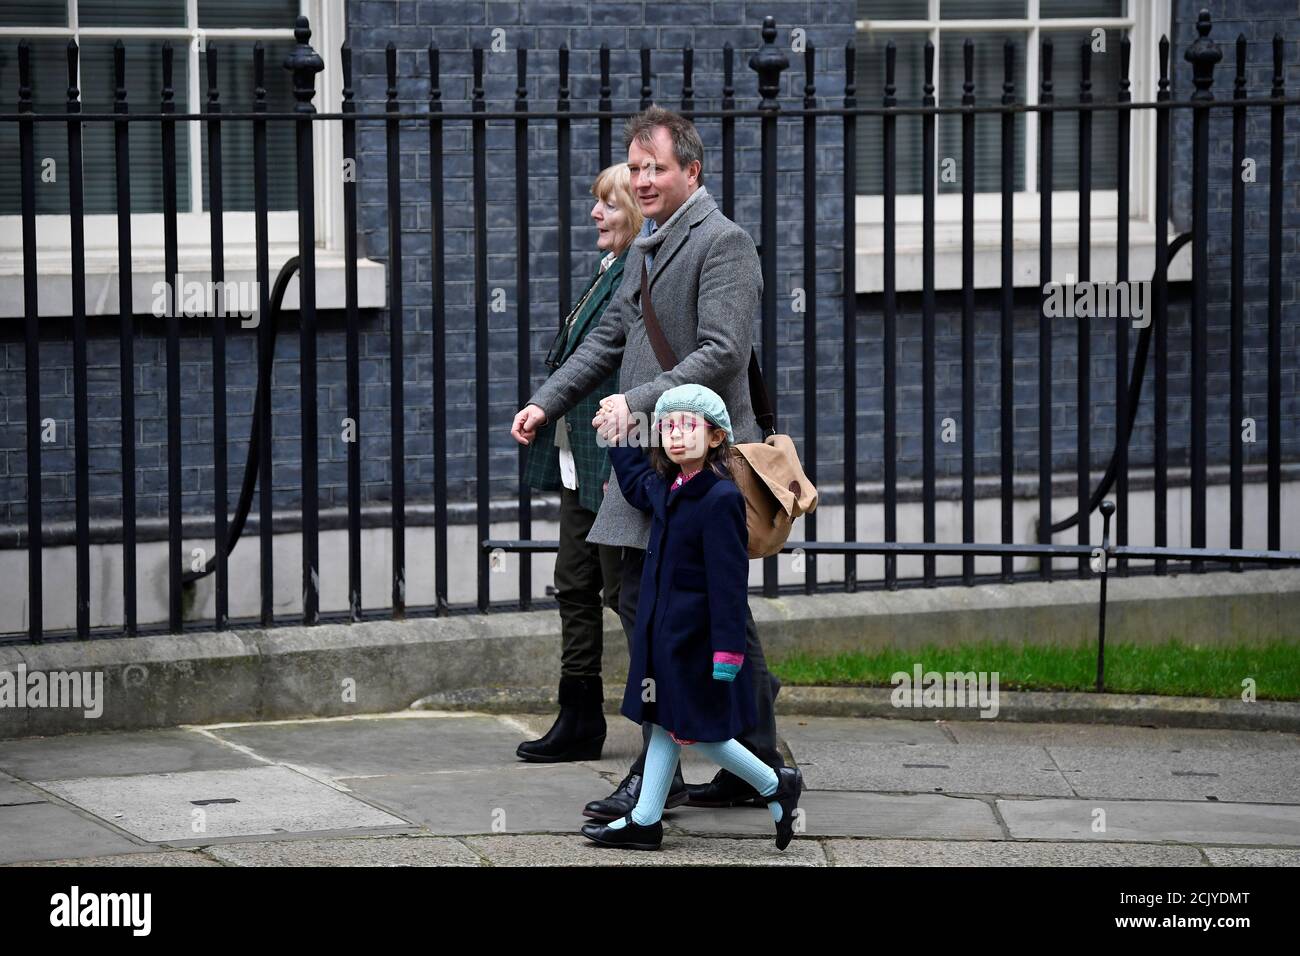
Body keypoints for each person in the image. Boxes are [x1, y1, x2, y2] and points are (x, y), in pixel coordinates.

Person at [510, 105, 787, 821]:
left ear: (691, 170)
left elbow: (722, 352)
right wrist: (546, 402)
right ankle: (760, 764)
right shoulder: (648, 246)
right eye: (635, 168)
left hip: (701, 460)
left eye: (655, 168)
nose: (642, 181)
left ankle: (655, 776)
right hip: (650, 455)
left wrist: (633, 402)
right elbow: (607, 338)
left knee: (654, 604)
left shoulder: (724, 243)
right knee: (686, 604)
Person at [580, 384, 802, 851]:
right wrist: (620, 439)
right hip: (666, 637)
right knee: (664, 720)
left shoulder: (720, 499)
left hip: (697, 641)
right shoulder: (671, 487)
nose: (676, 435)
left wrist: (728, 651)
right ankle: (645, 821)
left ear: (717, 437)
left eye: (688, 427)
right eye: (668, 428)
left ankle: (773, 782)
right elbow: (638, 485)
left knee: (698, 730)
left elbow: (728, 585)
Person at [516, 164, 643, 762]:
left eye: (609, 205)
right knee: (574, 584)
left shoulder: (638, 273)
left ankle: (707, 708)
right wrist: (545, 407)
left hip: (615, 462)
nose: (596, 213)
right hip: (580, 458)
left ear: (636, 213)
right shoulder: (608, 269)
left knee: (625, 595)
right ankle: (579, 716)